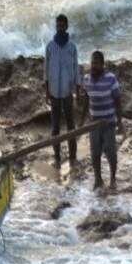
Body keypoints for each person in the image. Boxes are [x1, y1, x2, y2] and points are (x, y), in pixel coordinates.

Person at [80, 50, 125, 191]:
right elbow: (86, 100)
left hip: (108, 122)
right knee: (95, 154)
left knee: (111, 153)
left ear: (102, 64)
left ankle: (112, 179)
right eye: (92, 63)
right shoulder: (86, 79)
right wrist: (82, 121)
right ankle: (98, 179)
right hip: (93, 123)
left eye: (96, 64)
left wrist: (120, 122)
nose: (93, 66)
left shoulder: (111, 78)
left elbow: (117, 100)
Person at [45, 14, 80, 169]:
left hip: (67, 92)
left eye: (62, 25)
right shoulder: (50, 46)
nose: (59, 27)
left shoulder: (72, 47)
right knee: (55, 127)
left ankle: (73, 156)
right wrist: (46, 89)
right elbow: (46, 70)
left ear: (66, 26)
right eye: (57, 25)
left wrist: (77, 91)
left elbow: (76, 69)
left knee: (71, 125)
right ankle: (57, 156)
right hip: (54, 92)